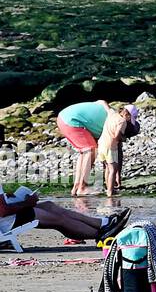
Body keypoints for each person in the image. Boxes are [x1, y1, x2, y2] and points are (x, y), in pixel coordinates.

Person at [56, 101, 139, 197]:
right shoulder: (119, 123)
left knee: (85, 152)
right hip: (72, 120)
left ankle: (76, 187)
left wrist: (117, 175)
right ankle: (82, 187)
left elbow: (101, 101)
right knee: (90, 150)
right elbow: (116, 152)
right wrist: (117, 176)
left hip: (63, 117)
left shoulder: (111, 113)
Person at [1, 188, 131, 244]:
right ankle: (100, 234)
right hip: (5, 222)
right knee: (58, 220)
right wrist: (26, 202)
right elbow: (3, 211)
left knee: (49, 206)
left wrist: (9, 197)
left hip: (5, 218)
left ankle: (103, 223)